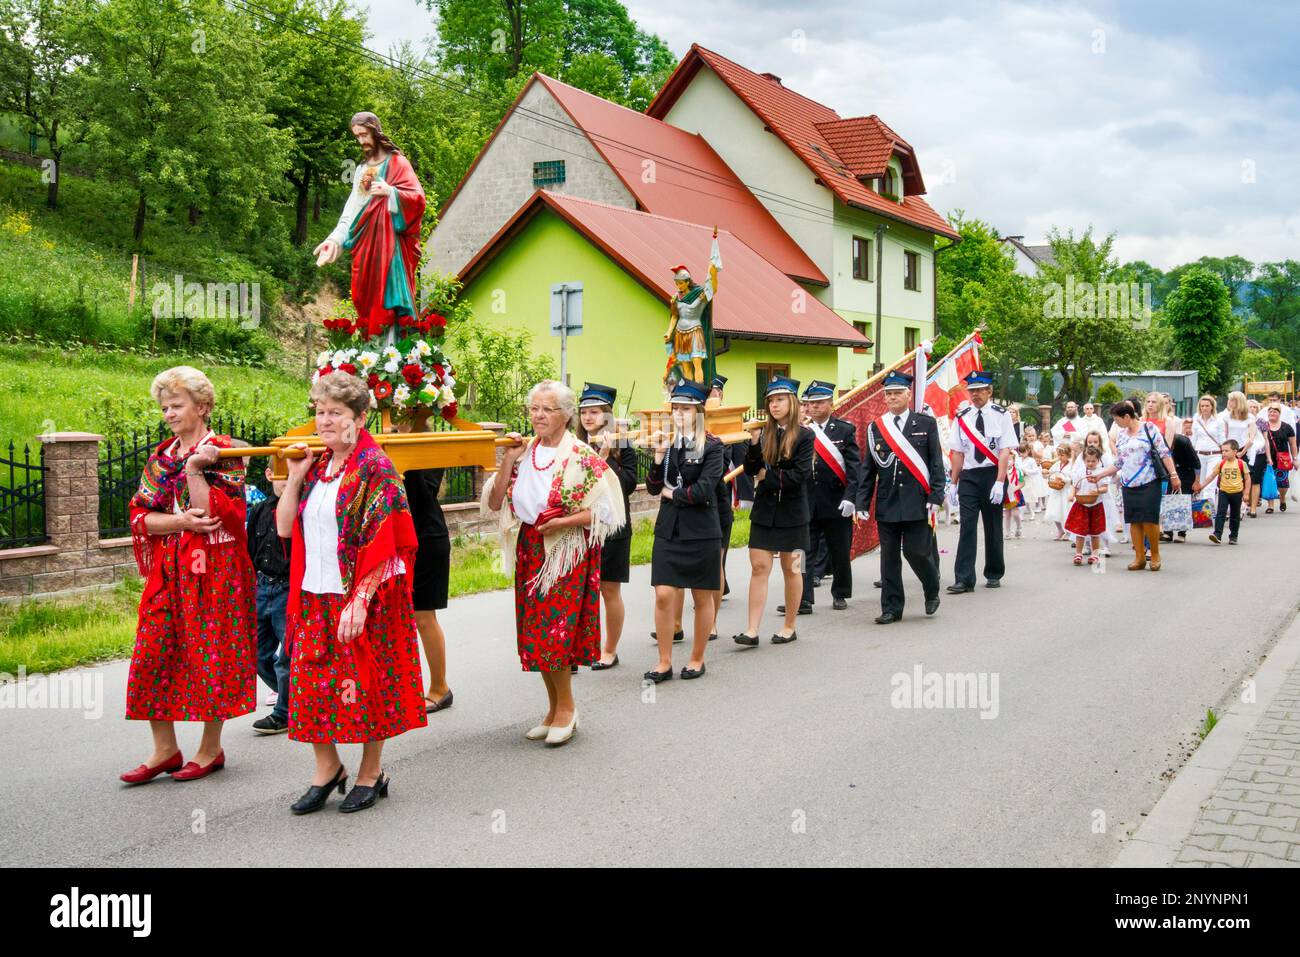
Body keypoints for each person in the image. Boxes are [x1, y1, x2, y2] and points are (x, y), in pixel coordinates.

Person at [277, 372, 427, 814]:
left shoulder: (376, 469)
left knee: (365, 684)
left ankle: (370, 772)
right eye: (320, 412)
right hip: (313, 596)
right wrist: (295, 477)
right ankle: (328, 768)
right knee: (309, 687)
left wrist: (360, 598)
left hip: (363, 598)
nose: (324, 420)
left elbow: (392, 542)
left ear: (359, 418)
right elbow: (286, 527)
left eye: (335, 413)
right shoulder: (319, 466)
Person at [121, 366, 257, 784]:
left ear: (202, 407)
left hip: (216, 569)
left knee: (209, 652)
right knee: (153, 651)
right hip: (171, 569)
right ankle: (165, 749)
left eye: (176, 405)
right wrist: (179, 522)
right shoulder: (162, 457)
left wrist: (196, 472)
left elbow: (214, 515)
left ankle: (210, 748)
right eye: (164, 407)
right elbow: (141, 515)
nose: (168, 413)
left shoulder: (227, 451)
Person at [483, 380, 625, 745]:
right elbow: (497, 502)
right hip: (531, 548)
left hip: (564, 553)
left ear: (566, 415)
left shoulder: (580, 455)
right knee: (535, 634)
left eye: (547, 409)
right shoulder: (525, 452)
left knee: (554, 635)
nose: (539, 416)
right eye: (534, 408)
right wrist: (509, 461)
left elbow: (606, 512)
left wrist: (563, 521)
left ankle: (567, 708)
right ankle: (554, 708)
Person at [645, 380, 725, 680]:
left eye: (685, 408)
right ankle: (664, 661)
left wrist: (672, 494)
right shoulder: (668, 444)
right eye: (675, 408)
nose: (678, 414)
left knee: (702, 596)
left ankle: (696, 658)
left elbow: (704, 490)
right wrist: (656, 459)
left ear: (699, 411)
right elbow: (653, 488)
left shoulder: (713, 446)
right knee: (664, 594)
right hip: (670, 529)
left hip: (702, 530)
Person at [856, 371, 944, 624]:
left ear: (908, 394)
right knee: (889, 557)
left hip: (918, 500)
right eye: (888, 393)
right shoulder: (876, 427)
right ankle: (892, 608)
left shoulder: (926, 424)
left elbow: (935, 464)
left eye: (897, 393)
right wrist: (862, 501)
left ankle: (931, 586)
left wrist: (935, 496)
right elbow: (868, 468)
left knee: (917, 552)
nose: (892, 397)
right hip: (887, 500)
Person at [733, 376, 813, 647]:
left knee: (792, 569)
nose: (774, 405)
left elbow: (800, 476)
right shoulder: (763, 433)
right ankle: (752, 629)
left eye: (779, 399)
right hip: (765, 510)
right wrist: (754, 444)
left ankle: (789, 625)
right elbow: (752, 470)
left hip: (794, 513)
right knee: (759, 567)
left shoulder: (805, 435)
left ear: (791, 401)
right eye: (770, 400)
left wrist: (769, 476)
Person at [575, 383, 637, 671]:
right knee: (579, 591)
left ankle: (609, 649)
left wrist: (608, 453)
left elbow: (625, 487)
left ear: (607, 415)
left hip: (612, 528)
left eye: (595, 411)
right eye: (584, 411)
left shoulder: (623, 446)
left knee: (609, 589)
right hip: (580, 529)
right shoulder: (574, 446)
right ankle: (578, 647)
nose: (588, 417)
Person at [795, 379, 861, 613]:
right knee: (802, 552)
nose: (813, 407)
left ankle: (840, 593)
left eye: (819, 403)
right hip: (807, 502)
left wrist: (851, 497)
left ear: (830, 404)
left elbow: (855, 469)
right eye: (810, 404)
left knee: (839, 551)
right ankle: (802, 597)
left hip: (836, 501)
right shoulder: (802, 431)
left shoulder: (845, 429)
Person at [947, 371, 1013, 593]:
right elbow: (957, 452)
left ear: (989, 391)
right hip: (969, 476)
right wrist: (953, 483)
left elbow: (1005, 450)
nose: (975, 394)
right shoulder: (962, 416)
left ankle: (994, 571)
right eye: (971, 390)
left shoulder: (1001, 415)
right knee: (967, 525)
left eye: (979, 390)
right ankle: (964, 578)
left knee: (993, 525)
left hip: (992, 474)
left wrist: (999, 480)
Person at [403, 464, 453, 712]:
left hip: (427, 540)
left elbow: (420, 495)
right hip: (395, 540)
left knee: (423, 617)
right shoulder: (387, 444)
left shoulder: (428, 447)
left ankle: (440, 688)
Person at [1110, 402, 1180, 571]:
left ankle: (1154, 554)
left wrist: (1173, 475)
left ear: (1127, 416)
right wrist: (1101, 474)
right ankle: (1139, 557)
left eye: (1117, 419)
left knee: (1149, 520)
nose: (1116, 423)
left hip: (1149, 480)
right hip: (1128, 482)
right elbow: (1119, 461)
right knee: (1134, 521)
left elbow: (1163, 452)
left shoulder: (1149, 428)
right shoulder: (1122, 435)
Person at [249, 467, 291, 735]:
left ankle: (283, 712)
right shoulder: (259, 510)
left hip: (287, 589)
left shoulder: (299, 510)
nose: (286, 480)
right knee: (257, 651)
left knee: (286, 657)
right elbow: (250, 547)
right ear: (268, 475)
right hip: (263, 587)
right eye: (281, 474)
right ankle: (292, 693)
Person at [1195, 439, 1249, 545]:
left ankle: (1233, 536)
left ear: (1235, 451)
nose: (1223, 453)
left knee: (1234, 515)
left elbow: (1247, 479)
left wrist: (1246, 493)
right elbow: (1211, 476)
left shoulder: (1241, 464)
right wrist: (1202, 486)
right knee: (1220, 513)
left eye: (1226, 451)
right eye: (1222, 451)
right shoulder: (1221, 463)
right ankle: (1217, 534)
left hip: (1237, 492)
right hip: (1224, 491)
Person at [1065, 447, 1108, 566]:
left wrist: (1098, 491)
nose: (1090, 463)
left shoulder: (1101, 472)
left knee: (1095, 532)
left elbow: (1105, 488)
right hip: (1082, 503)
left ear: (1098, 460)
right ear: (1084, 460)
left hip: (1096, 504)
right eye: (1088, 461)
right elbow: (1075, 485)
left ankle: (1094, 554)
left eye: (1093, 461)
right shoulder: (1080, 472)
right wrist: (1072, 495)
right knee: (1080, 531)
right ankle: (1078, 553)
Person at [1261, 402, 1297, 513]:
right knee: (1269, 481)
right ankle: (1270, 505)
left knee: (1283, 484)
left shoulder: (1287, 427)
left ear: (1279, 413)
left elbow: (1292, 444)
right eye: (1270, 411)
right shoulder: (1263, 426)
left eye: (1275, 411)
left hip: (1283, 460)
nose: (1272, 413)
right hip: (1267, 459)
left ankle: (1282, 498)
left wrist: (1295, 458)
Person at [1167, 417, 1199, 542]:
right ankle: (1168, 532)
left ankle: (1182, 533)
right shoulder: (1162, 442)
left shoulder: (1183, 442)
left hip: (1187, 471)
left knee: (1184, 500)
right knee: (1169, 499)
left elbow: (1196, 463)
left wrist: (1196, 481)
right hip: (1172, 472)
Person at [1190, 395, 1226, 503]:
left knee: (1210, 484)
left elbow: (1222, 438)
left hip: (1214, 455)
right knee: (1200, 483)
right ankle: (1201, 514)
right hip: (1199, 454)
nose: (1204, 408)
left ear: (1212, 407)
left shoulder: (1218, 421)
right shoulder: (1196, 420)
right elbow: (1194, 439)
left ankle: (1209, 512)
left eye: (1207, 406)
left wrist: (1225, 452)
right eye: (1202, 406)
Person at [1044, 444, 1073, 540]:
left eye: (1062, 455)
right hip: (1056, 491)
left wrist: (1064, 479)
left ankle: (1068, 532)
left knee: (1066, 510)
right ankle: (1060, 529)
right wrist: (1047, 474)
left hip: (1066, 491)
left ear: (1068, 455)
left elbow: (1073, 479)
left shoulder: (1071, 465)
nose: (1060, 457)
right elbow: (1050, 474)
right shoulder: (1056, 465)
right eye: (1059, 455)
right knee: (1054, 510)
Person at [1019, 437, 1048, 514]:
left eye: (1023, 452)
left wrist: (1026, 471)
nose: (1021, 454)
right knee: (1022, 493)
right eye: (1020, 452)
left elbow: (1036, 471)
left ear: (1028, 451)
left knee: (1031, 494)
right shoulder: (1018, 459)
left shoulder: (1031, 460)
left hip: (1029, 479)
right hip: (1021, 480)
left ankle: (1035, 507)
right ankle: (1023, 507)